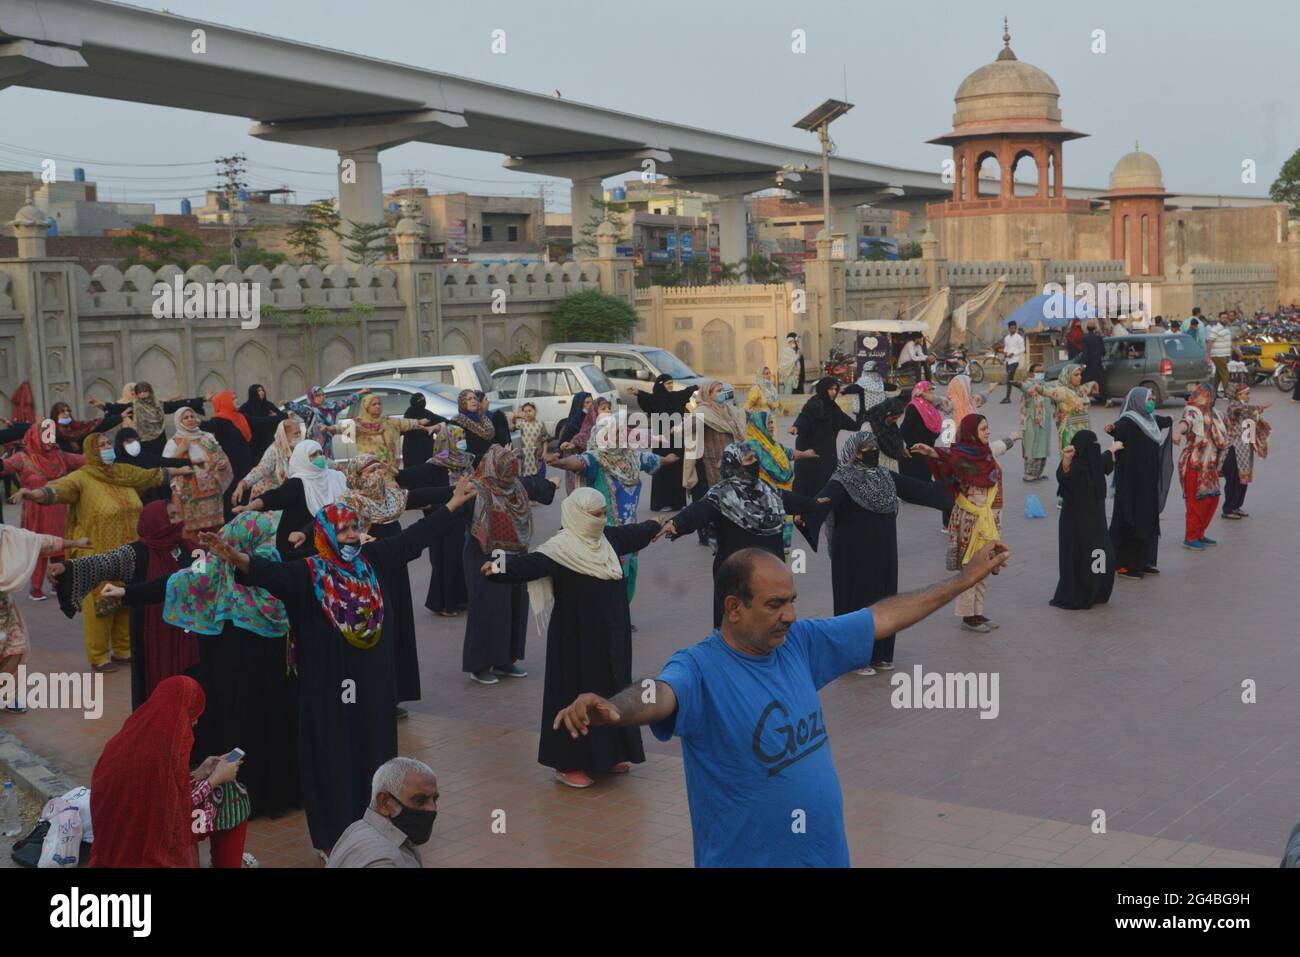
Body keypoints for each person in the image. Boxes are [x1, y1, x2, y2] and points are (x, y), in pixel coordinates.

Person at [552, 542, 1010, 867]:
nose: (789, 615)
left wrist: (965, 579)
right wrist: (614, 708)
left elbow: (883, 616)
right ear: (733, 607)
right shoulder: (700, 667)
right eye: (774, 604)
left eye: (791, 601)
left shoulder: (799, 643)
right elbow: (660, 694)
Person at [204, 480, 477, 854]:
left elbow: (415, 538)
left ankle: (380, 827)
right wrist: (238, 559)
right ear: (326, 534)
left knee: (375, 756)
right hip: (329, 692)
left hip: (374, 689)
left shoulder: (373, 562)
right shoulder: (307, 574)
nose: (350, 535)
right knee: (333, 761)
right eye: (342, 529)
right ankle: (335, 839)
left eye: (353, 527)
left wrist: (453, 504)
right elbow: (267, 573)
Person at [482, 487, 662, 787]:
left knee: (612, 688)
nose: (601, 520)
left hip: (613, 638)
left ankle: (611, 754)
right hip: (575, 642)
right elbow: (529, 565)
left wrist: (656, 524)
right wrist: (498, 565)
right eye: (595, 515)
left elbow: (634, 533)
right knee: (573, 692)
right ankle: (568, 764)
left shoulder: (607, 541)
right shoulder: (560, 550)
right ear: (578, 516)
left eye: (604, 513)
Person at [128, 511, 299, 819]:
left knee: (237, 727)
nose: (264, 543)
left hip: (231, 688)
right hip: (263, 686)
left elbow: (174, 582)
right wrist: (128, 593)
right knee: (264, 726)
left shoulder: (233, 569)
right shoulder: (259, 566)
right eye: (261, 536)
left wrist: (127, 594)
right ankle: (267, 793)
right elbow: (173, 581)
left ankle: (238, 796)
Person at [10, 434, 191, 671]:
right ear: (92, 451)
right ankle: (99, 656)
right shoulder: (82, 478)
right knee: (99, 605)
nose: (107, 448)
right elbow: (57, 490)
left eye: (108, 444)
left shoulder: (124, 473)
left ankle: (123, 649)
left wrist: (181, 470)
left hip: (129, 551)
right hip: (95, 551)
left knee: (127, 598)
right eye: (102, 445)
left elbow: (152, 474)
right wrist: (33, 494)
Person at [811, 430, 951, 674]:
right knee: (857, 603)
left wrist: (955, 495)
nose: (873, 450)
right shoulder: (843, 479)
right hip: (853, 555)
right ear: (854, 452)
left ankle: (880, 654)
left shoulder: (885, 476)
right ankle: (853, 659)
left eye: (875, 446)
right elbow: (821, 504)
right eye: (867, 447)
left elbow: (919, 490)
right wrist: (805, 512)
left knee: (884, 599)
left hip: (883, 553)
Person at [661, 442, 826, 628]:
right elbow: (699, 511)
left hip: (768, 575)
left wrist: (817, 503)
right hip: (737, 578)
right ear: (734, 463)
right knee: (736, 629)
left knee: (769, 627)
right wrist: (677, 523)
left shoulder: (768, 491)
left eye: (755, 458)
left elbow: (795, 501)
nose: (754, 463)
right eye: (748, 459)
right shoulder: (722, 495)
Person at [51, 500, 198, 708]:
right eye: (172, 516)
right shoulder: (137, 553)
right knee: (154, 688)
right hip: (151, 635)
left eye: (177, 515)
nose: (178, 521)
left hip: (186, 635)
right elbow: (102, 563)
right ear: (157, 521)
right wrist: (66, 568)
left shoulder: (188, 549)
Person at [89, 675, 246, 868]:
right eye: (193, 713)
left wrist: (199, 772)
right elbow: (176, 813)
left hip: (120, 840)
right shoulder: (170, 745)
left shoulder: (134, 733)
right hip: (152, 840)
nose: (195, 722)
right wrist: (215, 778)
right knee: (234, 797)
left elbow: (158, 791)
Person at [910, 414, 1018, 633]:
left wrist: (1014, 437)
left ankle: (978, 612)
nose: (987, 432)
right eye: (983, 429)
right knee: (971, 569)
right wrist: (930, 451)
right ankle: (968, 616)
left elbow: (1000, 445)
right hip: (972, 520)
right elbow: (946, 457)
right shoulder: (962, 458)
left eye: (988, 428)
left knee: (985, 566)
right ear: (971, 433)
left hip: (990, 520)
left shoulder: (986, 453)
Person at [549, 415, 670, 605]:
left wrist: (672, 459)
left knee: (629, 574)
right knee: (607, 576)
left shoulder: (632, 456)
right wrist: (558, 463)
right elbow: (578, 462)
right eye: (613, 433)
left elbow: (655, 460)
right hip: (604, 532)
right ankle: (608, 616)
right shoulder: (595, 459)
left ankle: (621, 614)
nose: (619, 436)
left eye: (620, 432)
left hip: (630, 530)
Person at [461, 445, 541, 685]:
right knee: (489, 607)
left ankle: (506, 660)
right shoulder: (475, 489)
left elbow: (541, 488)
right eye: (505, 470)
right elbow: (453, 507)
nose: (510, 476)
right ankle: (479, 664)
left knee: (514, 606)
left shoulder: (515, 487)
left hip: (515, 553)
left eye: (512, 471)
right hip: (484, 554)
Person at [0, 526, 89, 712]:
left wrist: (76, 543)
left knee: (16, 650)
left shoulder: (7, 535)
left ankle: (5, 695)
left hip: (5, 613)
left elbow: (41, 541)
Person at [0, 423, 84, 599]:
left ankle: (58, 582)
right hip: (36, 511)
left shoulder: (59, 455)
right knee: (38, 545)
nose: (49, 438)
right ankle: (36, 587)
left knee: (61, 546)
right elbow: (4, 466)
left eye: (51, 434)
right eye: (45, 434)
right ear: (34, 435)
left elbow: (83, 460)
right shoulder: (23, 457)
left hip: (60, 509)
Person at [1105, 387, 1173, 579]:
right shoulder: (1128, 421)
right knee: (1130, 518)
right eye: (1148, 399)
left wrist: (1173, 420)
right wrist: (1111, 428)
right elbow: (1117, 429)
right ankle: (1123, 564)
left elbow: (1164, 421)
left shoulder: (1150, 421)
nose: (1151, 402)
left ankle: (1143, 561)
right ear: (1137, 401)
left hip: (1148, 481)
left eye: (1151, 398)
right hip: (1131, 483)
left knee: (1147, 518)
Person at [237, 439, 347, 552]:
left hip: (330, 543)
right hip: (298, 547)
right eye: (313, 455)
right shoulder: (297, 483)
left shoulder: (336, 477)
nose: (319, 457)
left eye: (321, 453)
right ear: (302, 459)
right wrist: (249, 507)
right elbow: (274, 497)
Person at [327, 757, 438, 868]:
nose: (432, 808)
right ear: (384, 802)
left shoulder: (357, 827)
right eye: (420, 800)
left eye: (434, 799)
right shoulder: (384, 862)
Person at [1049, 431, 1117, 610]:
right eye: (1093, 445)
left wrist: (1113, 449)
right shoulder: (1075, 468)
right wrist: (1066, 460)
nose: (1096, 448)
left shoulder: (1094, 465)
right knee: (1082, 558)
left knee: (1100, 556)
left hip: (1094, 526)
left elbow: (1105, 460)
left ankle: (1097, 589)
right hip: (1076, 526)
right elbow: (1064, 478)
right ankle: (1085, 591)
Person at [422, 427, 475, 617]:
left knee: (454, 558)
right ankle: (445, 603)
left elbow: (474, 482)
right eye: (455, 439)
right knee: (442, 560)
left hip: (456, 515)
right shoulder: (434, 464)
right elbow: (424, 492)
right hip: (441, 516)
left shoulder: (464, 460)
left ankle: (457, 601)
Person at [1173, 384, 1228, 550]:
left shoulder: (1216, 414)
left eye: (1206, 394)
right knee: (1195, 502)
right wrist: (1178, 432)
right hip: (1195, 464)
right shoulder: (1192, 410)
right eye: (1201, 393)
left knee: (1211, 500)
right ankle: (1190, 537)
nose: (1201, 396)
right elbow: (1186, 422)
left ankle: (1199, 533)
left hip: (1209, 465)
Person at [164, 406, 233, 535]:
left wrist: (222, 464)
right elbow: (166, 467)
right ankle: (196, 555)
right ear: (179, 421)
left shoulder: (207, 437)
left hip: (212, 494)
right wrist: (180, 450)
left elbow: (220, 456)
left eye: (192, 416)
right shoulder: (174, 442)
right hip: (188, 496)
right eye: (185, 417)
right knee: (192, 535)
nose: (190, 419)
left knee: (214, 532)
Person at [201, 389, 269, 519]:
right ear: (225, 402)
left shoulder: (240, 417)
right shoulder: (219, 420)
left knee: (246, 498)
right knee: (231, 501)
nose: (236, 400)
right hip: (231, 470)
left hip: (245, 467)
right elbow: (208, 426)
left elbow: (262, 422)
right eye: (232, 398)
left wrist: (282, 416)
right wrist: (194, 421)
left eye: (236, 397)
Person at [790, 377, 856, 503]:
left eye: (835, 389)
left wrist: (863, 425)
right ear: (823, 389)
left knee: (827, 487)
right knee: (809, 489)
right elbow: (804, 418)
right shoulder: (813, 405)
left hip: (827, 454)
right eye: (830, 389)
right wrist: (796, 428)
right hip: (811, 454)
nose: (833, 392)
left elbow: (847, 422)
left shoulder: (834, 408)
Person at [637, 374, 697, 512]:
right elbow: (646, 399)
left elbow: (687, 391)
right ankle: (661, 502)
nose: (670, 386)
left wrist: (697, 386)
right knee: (662, 468)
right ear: (661, 384)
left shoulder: (676, 396)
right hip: (662, 440)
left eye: (671, 383)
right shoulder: (655, 399)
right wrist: (638, 392)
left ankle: (677, 502)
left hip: (676, 438)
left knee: (677, 468)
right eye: (667, 383)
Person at [350, 393, 437, 469]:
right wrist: (335, 430)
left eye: (379, 404)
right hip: (370, 468)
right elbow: (341, 429)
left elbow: (404, 423)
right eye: (374, 404)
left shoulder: (387, 421)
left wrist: (420, 422)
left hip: (388, 469)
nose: (378, 406)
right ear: (366, 407)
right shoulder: (358, 424)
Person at [1221, 384, 1270, 519]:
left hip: (1245, 448)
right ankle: (1228, 509)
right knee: (1232, 479)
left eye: (1248, 393)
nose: (1248, 396)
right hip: (1233, 448)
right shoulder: (1233, 406)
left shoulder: (1246, 407)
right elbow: (1240, 410)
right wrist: (1258, 408)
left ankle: (1236, 506)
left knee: (1243, 479)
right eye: (1246, 393)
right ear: (1238, 395)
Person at [233, 415, 302, 501]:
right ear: (284, 435)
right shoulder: (274, 451)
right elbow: (260, 470)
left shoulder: (297, 449)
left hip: (286, 496)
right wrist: (243, 484)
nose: (299, 436)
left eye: (300, 433)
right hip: (267, 499)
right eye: (296, 433)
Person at [284, 386, 365, 458]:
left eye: (323, 394)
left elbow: (345, 401)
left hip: (328, 447)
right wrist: (287, 404)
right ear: (312, 397)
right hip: (313, 448)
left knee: (328, 469)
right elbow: (299, 408)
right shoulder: (309, 411)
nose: (321, 397)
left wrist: (360, 392)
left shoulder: (331, 407)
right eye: (317, 395)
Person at [1014, 363, 1054, 481]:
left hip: (1044, 423)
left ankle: (1038, 473)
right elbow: (1024, 387)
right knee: (1032, 447)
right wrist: (1019, 384)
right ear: (1031, 373)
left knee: (1042, 447)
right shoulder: (1029, 384)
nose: (1040, 373)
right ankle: (1029, 474)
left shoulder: (1045, 385)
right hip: (1032, 421)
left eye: (1042, 371)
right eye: (1037, 371)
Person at [239, 384, 283, 463]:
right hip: (253, 443)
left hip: (268, 441)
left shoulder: (268, 405)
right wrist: (273, 418)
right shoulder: (246, 407)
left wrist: (276, 416)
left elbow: (282, 416)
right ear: (253, 393)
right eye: (259, 391)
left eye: (262, 390)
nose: (262, 392)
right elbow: (256, 421)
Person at [400, 393, 442, 467]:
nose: (422, 402)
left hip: (424, 457)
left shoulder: (427, 414)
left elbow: (445, 422)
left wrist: (436, 427)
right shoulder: (409, 417)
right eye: (420, 400)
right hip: (414, 457)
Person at [1206, 312, 1236, 396]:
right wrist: (1208, 354)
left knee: (1218, 375)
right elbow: (1210, 341)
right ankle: (1227, 393)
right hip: (1217, 355)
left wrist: (1237, 352)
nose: (1225, 319)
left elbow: (1229, 343)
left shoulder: (1227, 329)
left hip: (1225, 355)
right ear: (1219, 319)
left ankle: (1213, 392)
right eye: (1223, 318)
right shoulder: (1215, 329)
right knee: (1225, 373)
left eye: (1226, 317)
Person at [515, 402, 548, 479]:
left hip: (537, 455)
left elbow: (545, 439)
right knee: (527, 478)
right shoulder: (521, 424)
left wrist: (544, 452)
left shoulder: (540, 424)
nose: (527, 414)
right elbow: (512, 425)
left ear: (535, 411)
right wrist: (517, 415)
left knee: (539, 475)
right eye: (525, 412)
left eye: (529, 411)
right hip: (525, 455)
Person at [1080, 321, 1108, 404]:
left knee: (1084, 383)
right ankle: (1105, 400)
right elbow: (1103, 352)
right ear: (1095, 328)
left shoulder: (1084, 338)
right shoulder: (1099, 338)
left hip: (1089, 365)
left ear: (1087, 328)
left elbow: (1085, 353)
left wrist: (1083, 364)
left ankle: (1084, 400)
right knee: (1101, 382)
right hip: (1098, 363)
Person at [1000, 320, 1025, 403]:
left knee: (1009, 379)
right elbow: (1006, 347)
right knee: (1010, 380)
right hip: (1008, 360)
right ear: (1009, 328)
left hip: (1015, 360)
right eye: (1011, 328)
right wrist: (1005, 352)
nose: (1013, 330)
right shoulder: (1007, 338)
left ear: (1016, 328)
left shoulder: (1019, 338)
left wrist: (1013, 354)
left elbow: (1022, 349)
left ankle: (1007, 397)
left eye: (1014, 328)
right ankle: (1023, 388)